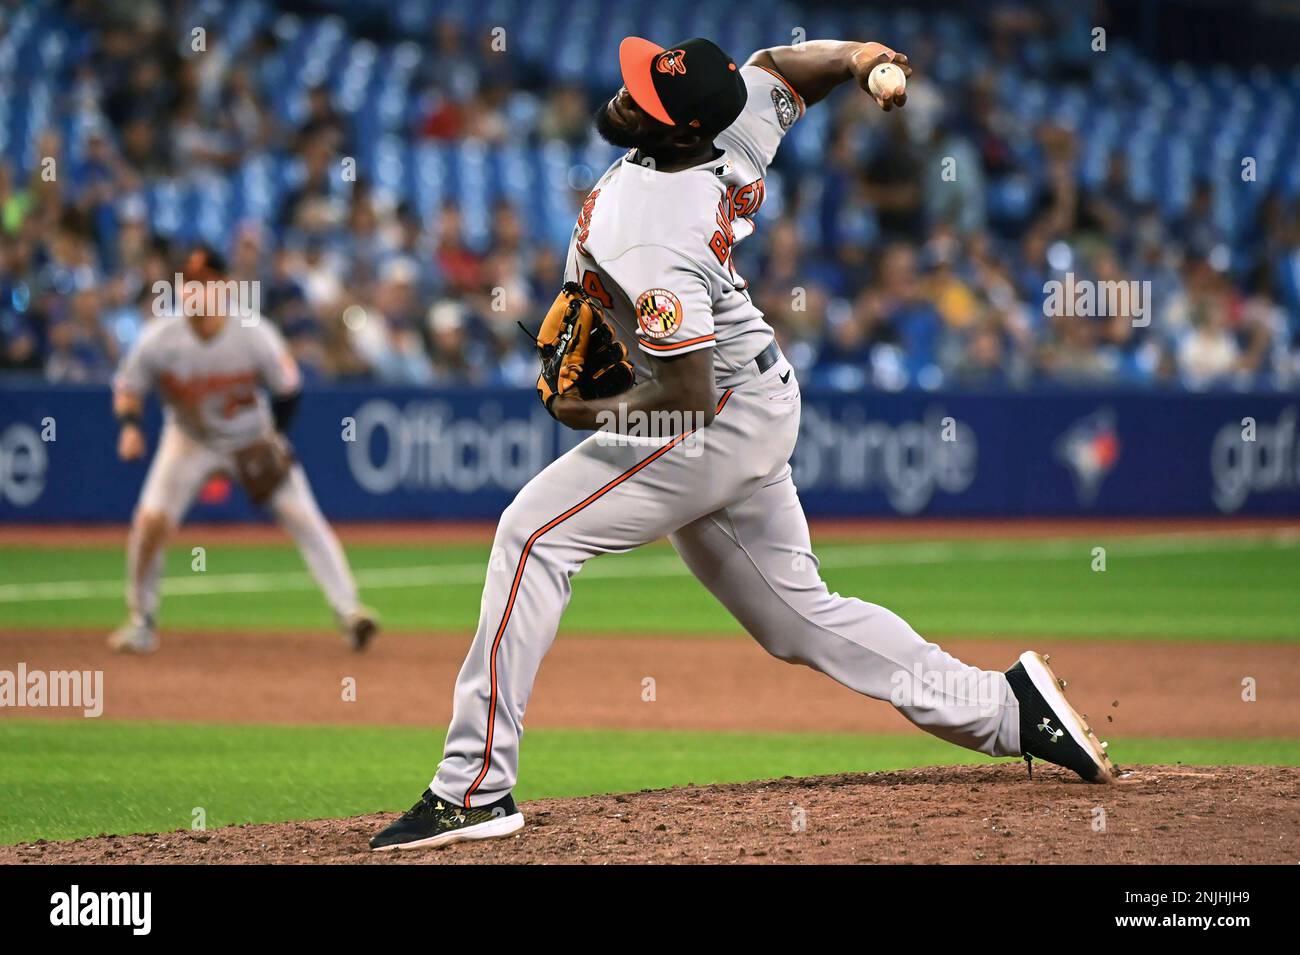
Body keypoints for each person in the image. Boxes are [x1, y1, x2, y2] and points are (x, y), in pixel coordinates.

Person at [371, 37, 1114, 853]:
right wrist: (865, 58)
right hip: (753, 395)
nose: (625, 100)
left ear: (684, 134)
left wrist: (591, 412)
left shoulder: (653, 229)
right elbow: (786, 66)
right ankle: (1009, 710)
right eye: (639, 85)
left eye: (646, 102)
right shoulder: (728, 129)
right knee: (797, 620)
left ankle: (473, 788)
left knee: (531, 535)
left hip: (712, 415)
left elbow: (682, 396)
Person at [109, 246, 378, 653]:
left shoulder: (253, 333)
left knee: (304, 516)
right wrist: (130, 428)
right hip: (189, 441)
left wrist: (275, 439)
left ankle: (349, 612)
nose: (196, 292)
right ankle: (141, 621)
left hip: (251, 437)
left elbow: (289, 390)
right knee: (150, 522)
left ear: (226, 287)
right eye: (189, 284)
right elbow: (129, 389)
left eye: (207, 283)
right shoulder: (159, 339)